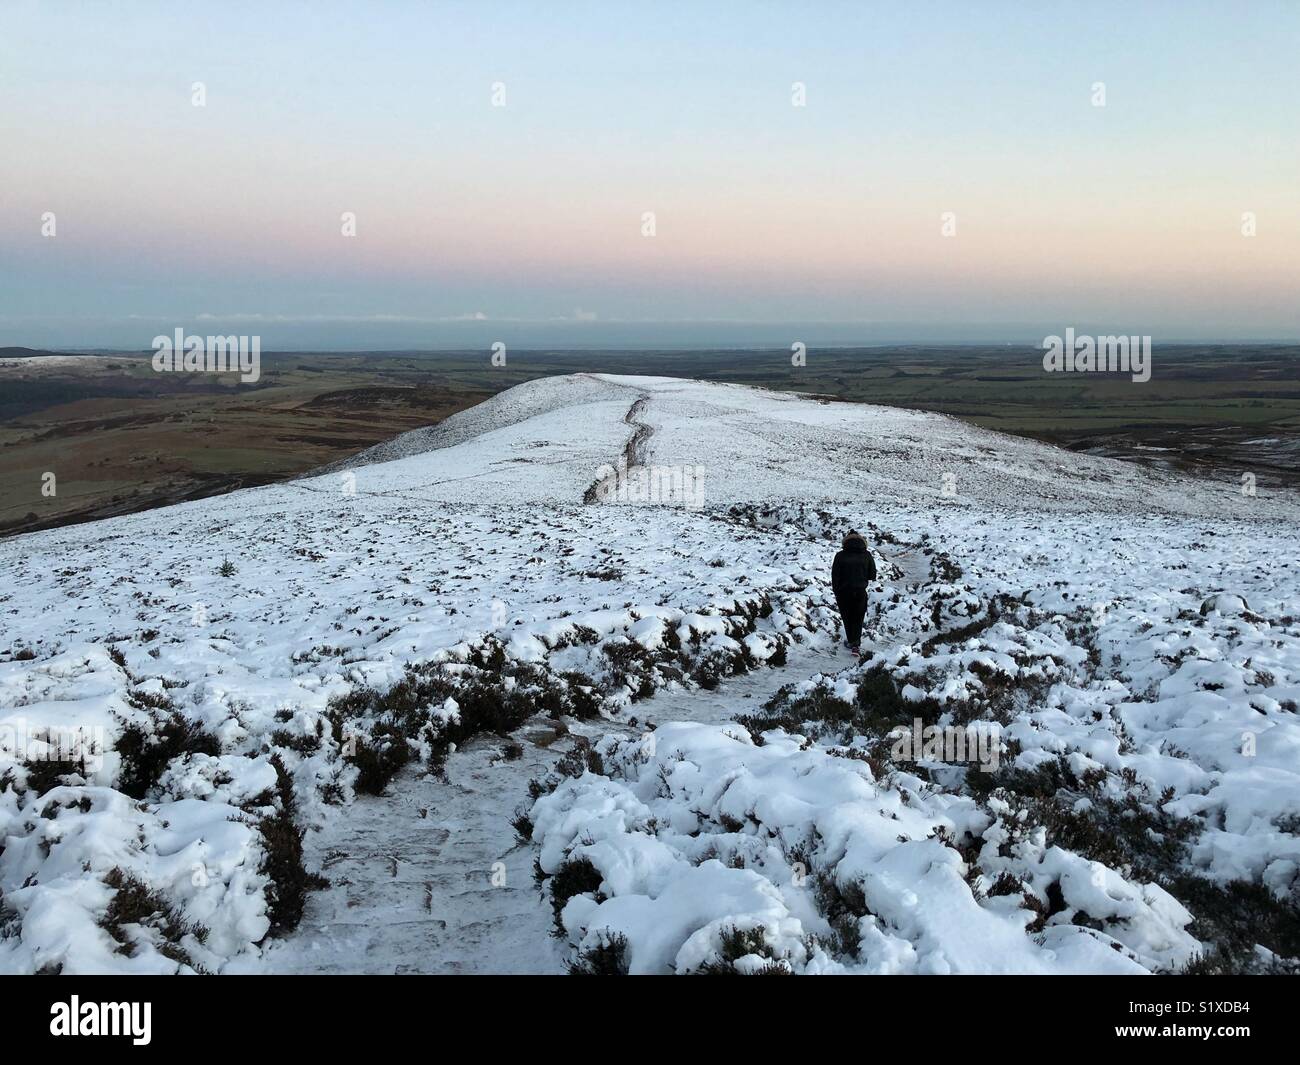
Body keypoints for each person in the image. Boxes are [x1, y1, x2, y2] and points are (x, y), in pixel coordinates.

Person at [831, 529, 876, 655]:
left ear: (846, 541)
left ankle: (852, 642)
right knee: (858, 617)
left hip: (843, 592)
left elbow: (835, 576)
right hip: (860, 591)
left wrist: (836, 590)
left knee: (847, 617)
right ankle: (856, 644)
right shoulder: (867, 554)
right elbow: (872, 574)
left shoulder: (840, 555)